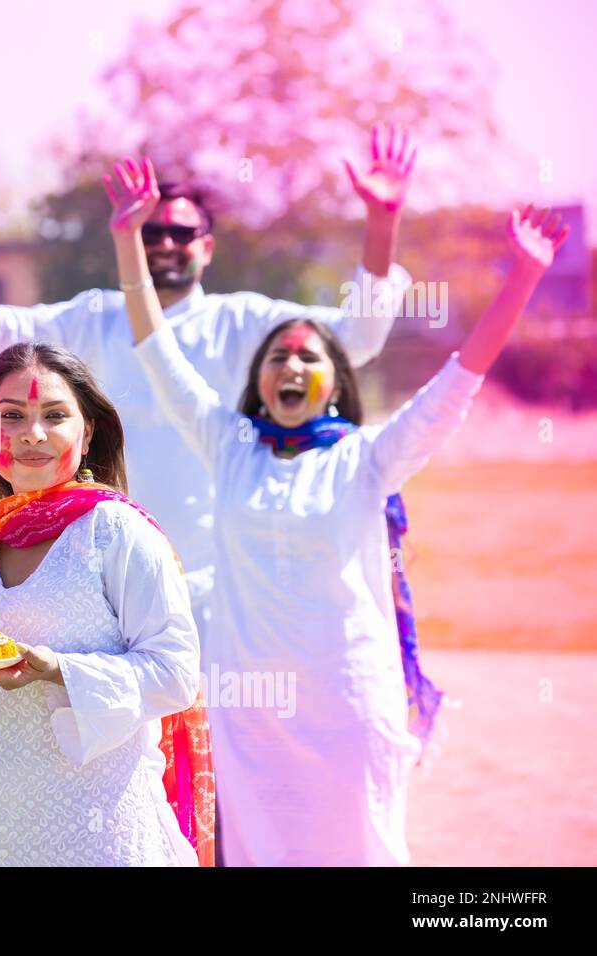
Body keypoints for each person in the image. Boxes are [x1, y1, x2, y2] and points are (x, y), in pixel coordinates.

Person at [108, 154, 568, 865]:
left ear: (334, 381)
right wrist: (125, 238)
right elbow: (155, 347)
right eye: (278, 357)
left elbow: (459, 380)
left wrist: (525, 277)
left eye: (309, 357)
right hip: (250, 714)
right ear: (258, 382)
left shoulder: (368, 458)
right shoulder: (228, 444)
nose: (292, 366)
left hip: (347, 703)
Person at [0, 115, 415, 637]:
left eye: (182, 232)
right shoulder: (93, 318)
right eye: (152, 231)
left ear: (208, 248)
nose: (167, 243)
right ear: (129, 237)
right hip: (104, 571)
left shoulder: (240, 323)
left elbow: (357, 338)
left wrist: (383, 224)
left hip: (220, 584)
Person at [0, 342, 206, 866]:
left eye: (54, 416)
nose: (32, 434)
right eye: (11, 416)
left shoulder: (117, 532)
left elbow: (176, 674)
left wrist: (57, 670)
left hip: (102, 833)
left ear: (86, 436)